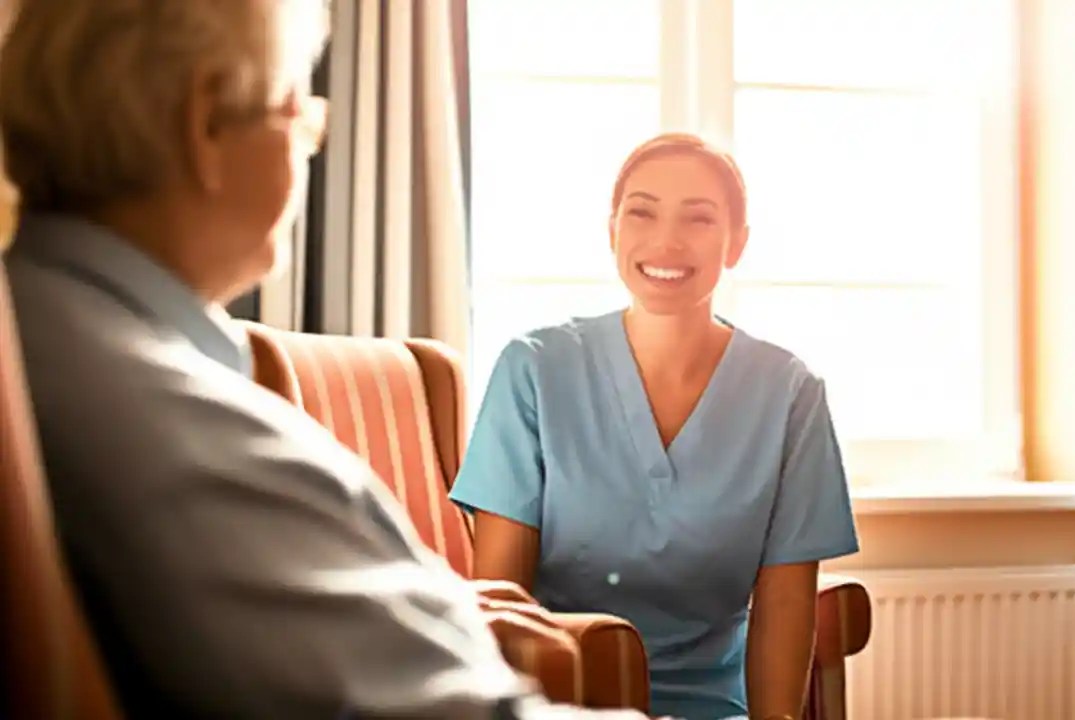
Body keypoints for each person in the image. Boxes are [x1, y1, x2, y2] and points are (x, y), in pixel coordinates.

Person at [0, 1, 649, 718]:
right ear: (208, 123)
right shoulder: (169, 424)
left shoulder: (44, 337)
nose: (308, 142)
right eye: (298, 114)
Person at [450, 133, 861, 720]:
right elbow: (501, 604)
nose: (666, 241)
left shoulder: (790, 393)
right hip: (563, 702)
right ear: (612, 230)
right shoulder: (534, 369)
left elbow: (785, 604)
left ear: (736, 243)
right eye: (642, 212)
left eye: (699, 219)